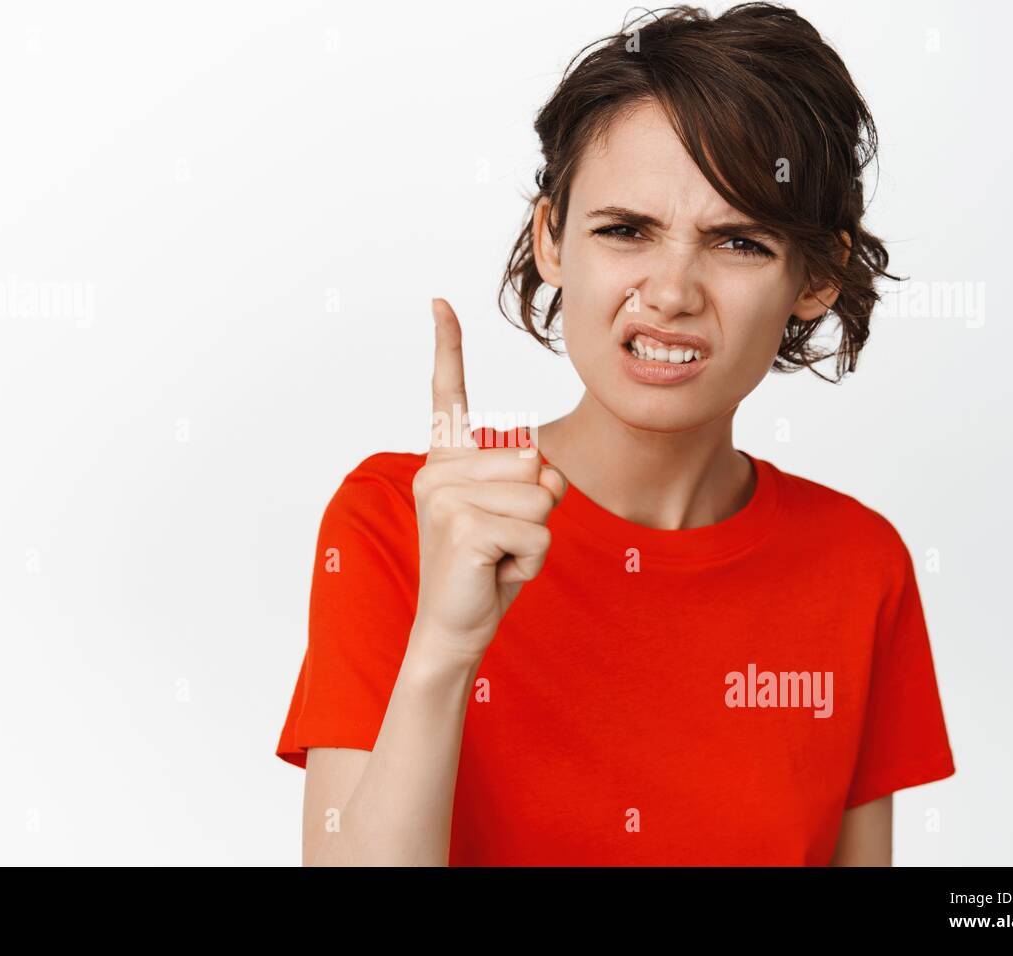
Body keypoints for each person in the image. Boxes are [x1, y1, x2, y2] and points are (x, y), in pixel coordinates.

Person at [275, 2, 955, 866]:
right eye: (625, 230)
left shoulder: (860, 566)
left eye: (738, 241)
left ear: (817, 277)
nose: (670, 291)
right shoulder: (399, 520)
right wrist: (444, 649)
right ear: (551, 239)